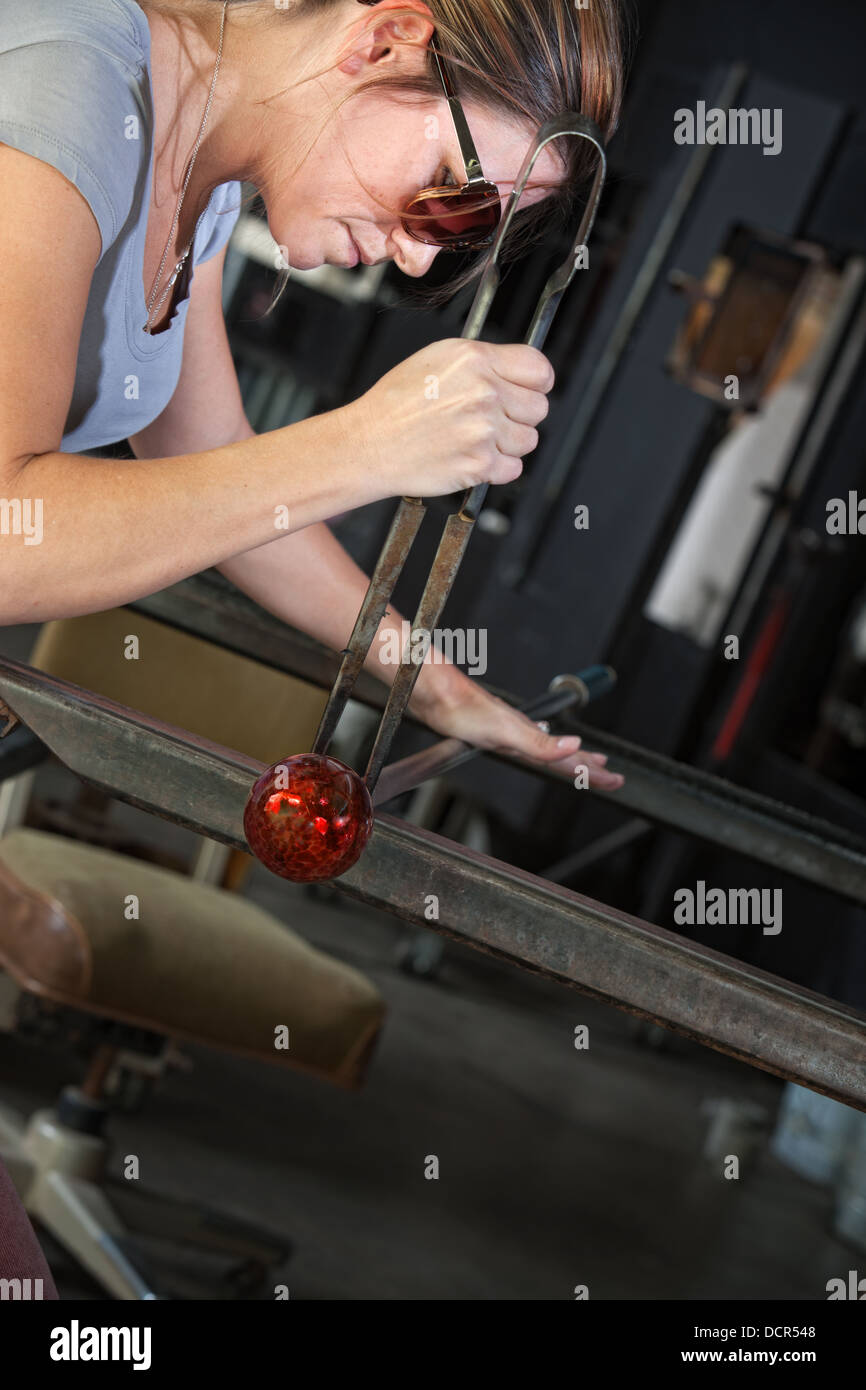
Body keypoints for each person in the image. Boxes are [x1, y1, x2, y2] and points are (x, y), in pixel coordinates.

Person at [0, 0, 627, 784]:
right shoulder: (71, 80)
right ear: (383, 40)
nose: (416, 258)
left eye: (464, 231)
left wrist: (431, 686)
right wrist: (367, 446)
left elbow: (210, 454)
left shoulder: (204, 171)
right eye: (446, 195)